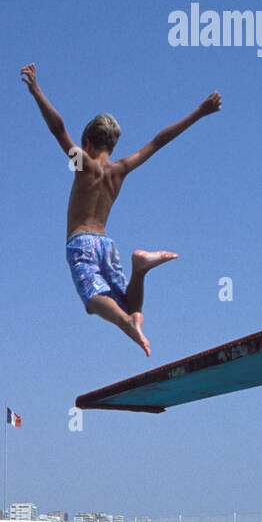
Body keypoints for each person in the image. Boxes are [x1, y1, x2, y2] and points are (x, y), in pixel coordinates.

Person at [21, 62, 221, 356]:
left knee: (93, 300)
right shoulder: (120, 170)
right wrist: (198, 113)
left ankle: (127, 322)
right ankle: (139, 270)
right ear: (112, 147)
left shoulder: (82, 166)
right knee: (129, 302)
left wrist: (37, 90)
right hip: (106, 243)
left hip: (81, 243)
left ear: (87, 142)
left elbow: (58, 130)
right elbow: (158, 141)